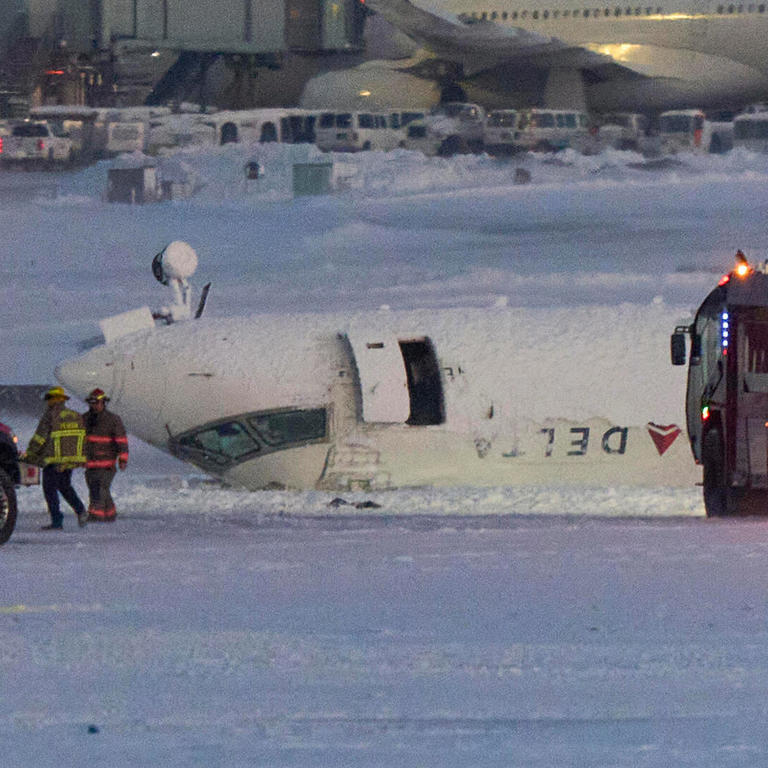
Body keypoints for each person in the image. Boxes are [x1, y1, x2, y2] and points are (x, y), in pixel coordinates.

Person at [23, 385, 88, 530]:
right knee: (65, 487)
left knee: (50, 490)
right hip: (70, 461)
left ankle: (57, 521)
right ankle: (81, 511)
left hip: (53, 460)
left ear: (52, 400)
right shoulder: (75, 415)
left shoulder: (50, 416)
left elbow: (40, 438)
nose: (48, 403)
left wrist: (30, 454)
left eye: (49, 400)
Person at [83, 388, 128, 522]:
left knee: (99, 489)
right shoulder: (84, 419)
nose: (94, 405)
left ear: (103, 403)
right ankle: (110, 514)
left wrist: (123, 459)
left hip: (106, 463)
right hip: (90, 463)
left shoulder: (113, 420)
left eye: (97, 403)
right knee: (97, 488)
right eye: (92, 402)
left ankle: (95, 515)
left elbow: (122, 441)